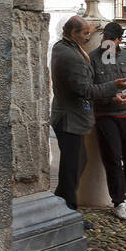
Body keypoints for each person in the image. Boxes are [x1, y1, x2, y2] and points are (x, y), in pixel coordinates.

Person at [48, 13, 119, 213]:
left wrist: (91, 28)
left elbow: (81, 34)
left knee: (78, 162)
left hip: (66, 117)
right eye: (85, 33)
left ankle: (60, 203)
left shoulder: (62, 46)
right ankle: (67, 209)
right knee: (72, 167)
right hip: (69, 119)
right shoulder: (71, 57)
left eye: (90, 33)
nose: (88, 37)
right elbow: (86, 90)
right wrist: (113, 86)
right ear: (73, 33)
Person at [89, 23, 126, 220]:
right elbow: (89, 91)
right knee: (113, 158)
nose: (106, 42)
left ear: (119, 40)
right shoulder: (93, 59)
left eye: (111, 39)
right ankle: (119, 202)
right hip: (104, 115)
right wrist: (110, 98)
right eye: (104, 37)